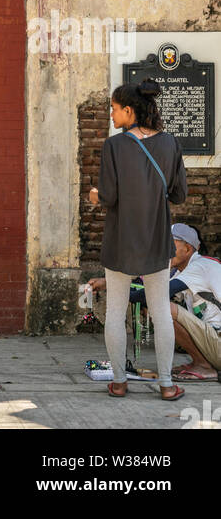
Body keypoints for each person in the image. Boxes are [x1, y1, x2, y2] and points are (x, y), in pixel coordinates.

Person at [88, 79, 186, 400]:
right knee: (160, 312)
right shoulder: (171, 143)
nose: (112, 115)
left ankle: (118, 382)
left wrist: (94, 195)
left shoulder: (114, 146)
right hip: (157, 240)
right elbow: (179, 194)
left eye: (115, 109)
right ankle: (168, 385)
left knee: (115, 312)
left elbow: (108, 196)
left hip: (120, 241)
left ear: (129, 110)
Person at [169, 223, 221, 381]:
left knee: (162, 307)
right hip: (214, 342)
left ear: (187, 249)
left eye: (170, 246)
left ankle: (203, 366)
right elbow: (144, 288)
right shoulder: (180, 271)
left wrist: (113, 285)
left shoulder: (200, 266)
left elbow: (155, 293)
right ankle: (200, 362)